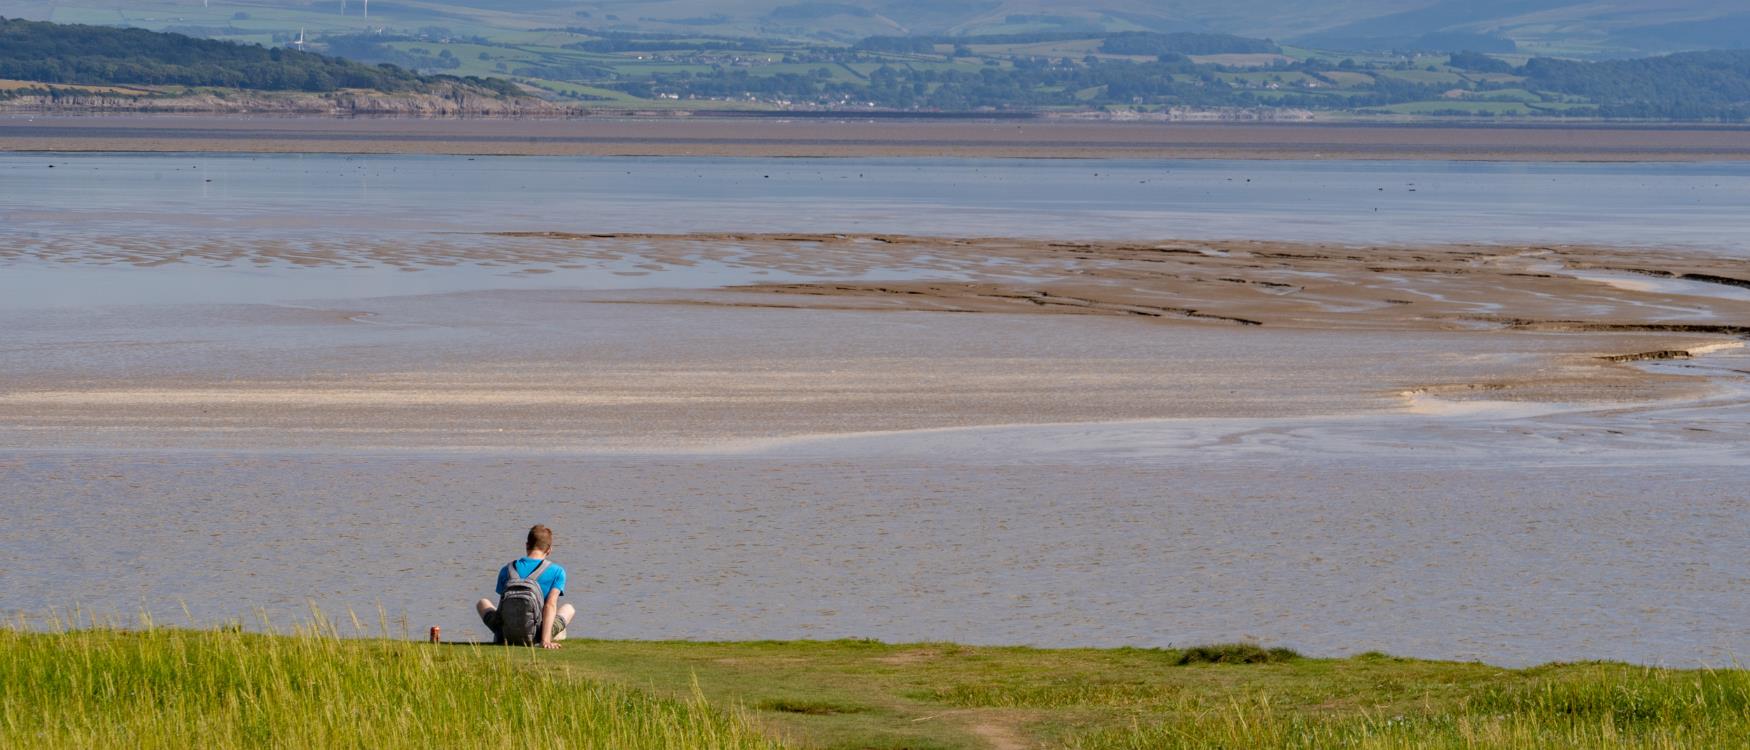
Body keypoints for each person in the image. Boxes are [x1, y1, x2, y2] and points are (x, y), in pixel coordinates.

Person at [476, 524, 575, 648]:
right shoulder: (557, 571)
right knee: (568, 608)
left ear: (527, 545)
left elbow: (503, 603)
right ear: (549, 550)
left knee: (482, 602)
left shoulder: (507, 569)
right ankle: (548, 636)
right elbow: (550, 604)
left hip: (505, 632)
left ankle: (501, 635)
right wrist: (545, 641)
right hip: (536, 634)